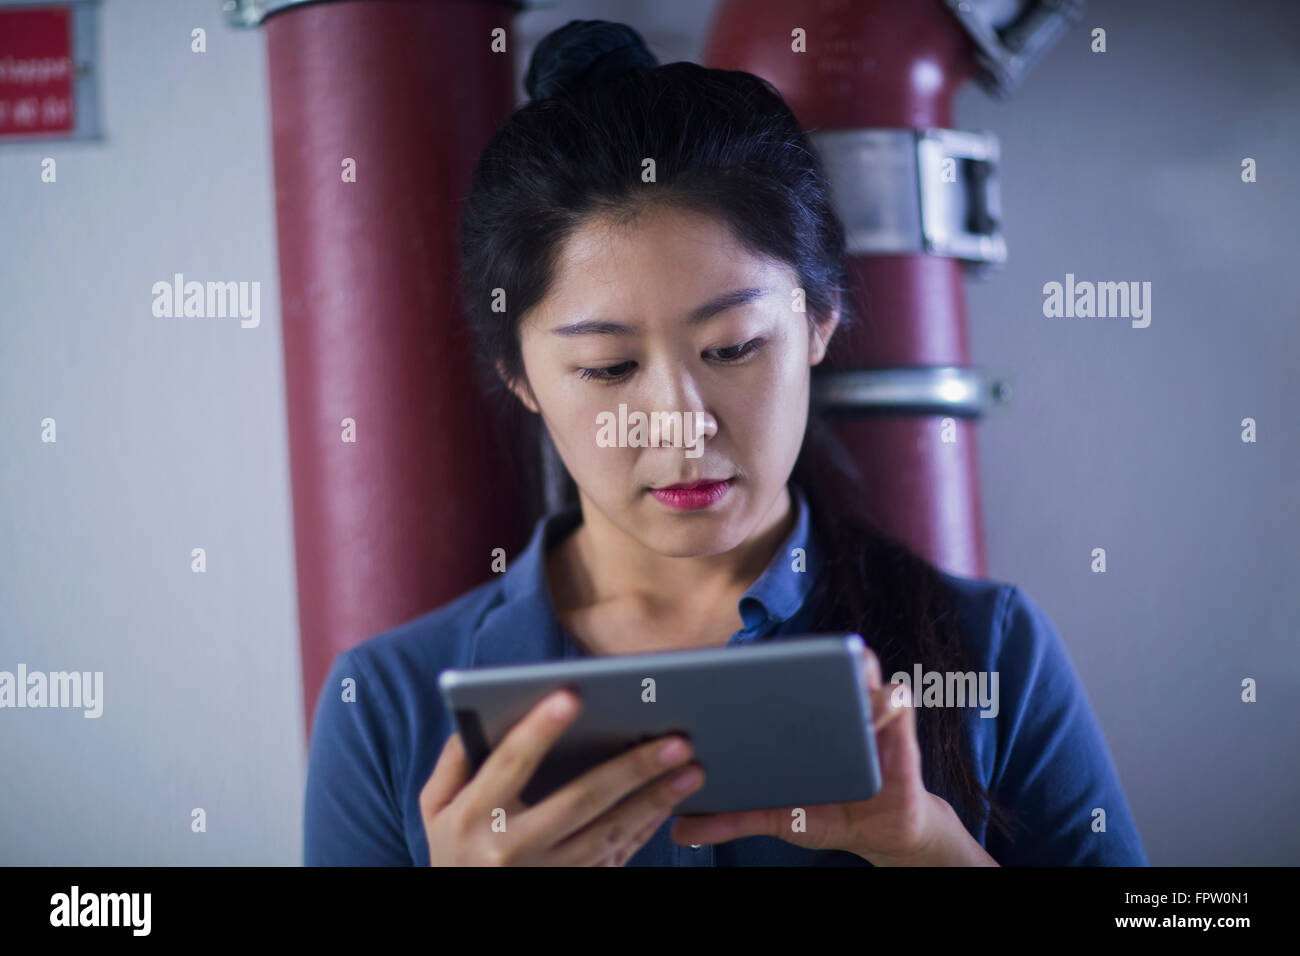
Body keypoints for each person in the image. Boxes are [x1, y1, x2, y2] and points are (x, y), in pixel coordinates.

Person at [303, 19, 1148, 867]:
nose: (677, 421)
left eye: (733, 348)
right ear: (521, 377)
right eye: (607, 367)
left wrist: (934, 851)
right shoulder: (385, 708)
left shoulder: (992, 651)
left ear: (819, 321)